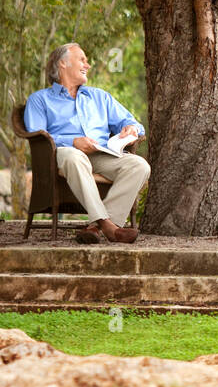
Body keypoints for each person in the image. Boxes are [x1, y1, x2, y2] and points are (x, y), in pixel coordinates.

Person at [23, 43, 151, 244]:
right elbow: (37, 135)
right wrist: (72, 141)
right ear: (62, 63)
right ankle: (109, 227)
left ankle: (94, 227)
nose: (88, 65)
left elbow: (131, 121)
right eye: (82, 59)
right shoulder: (39, 100)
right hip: (63, 154)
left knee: (139, 165)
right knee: (75, 156)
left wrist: (131, 128)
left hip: (100, 154)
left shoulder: (99, 97)